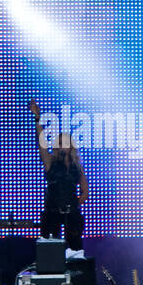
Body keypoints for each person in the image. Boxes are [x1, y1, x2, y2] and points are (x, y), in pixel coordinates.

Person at [30, 100, 88, 258]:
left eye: (66, 143)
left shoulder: (77, 166)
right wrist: (37, 119)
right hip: (52, 212)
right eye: (60, 142)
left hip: (72, 213)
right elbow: (42, 145)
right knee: (51, 250)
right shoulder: (51, 162)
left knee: (76, 249)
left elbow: (85, 192)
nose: (63, 146)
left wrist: (75, 202)